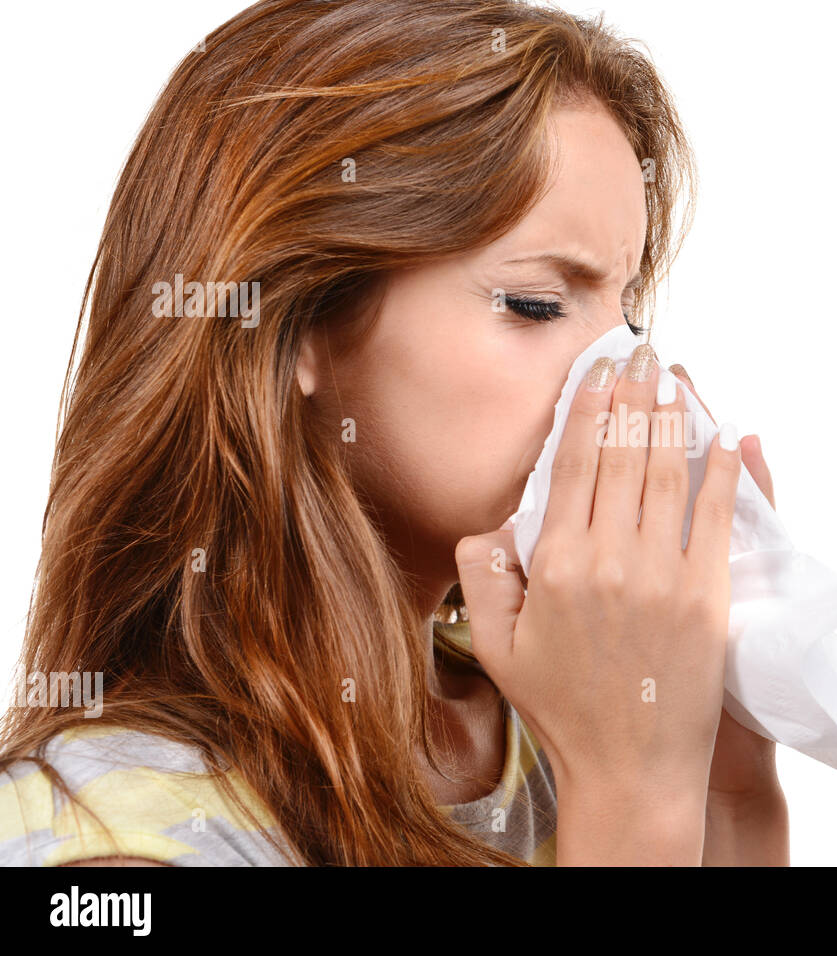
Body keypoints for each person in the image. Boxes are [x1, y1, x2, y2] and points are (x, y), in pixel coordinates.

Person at [0, 0, 787, 866]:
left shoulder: (569, 709)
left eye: (627, 313)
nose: (627, 375)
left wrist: (722, 784)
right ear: (290, 323)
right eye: (537, 304)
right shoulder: (119, 840)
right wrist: (634, 796)